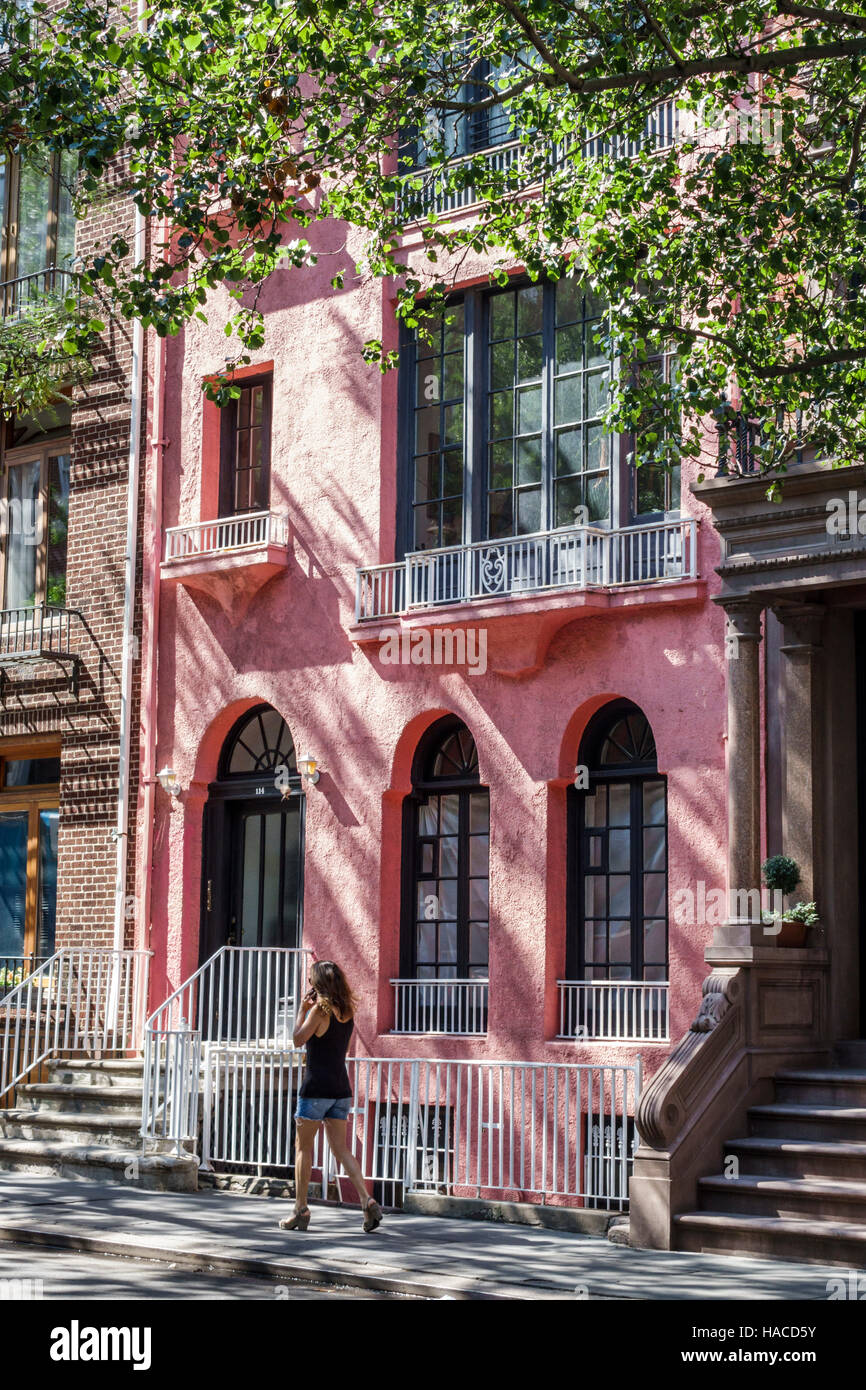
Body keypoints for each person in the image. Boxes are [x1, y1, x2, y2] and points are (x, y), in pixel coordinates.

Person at [279, 959, 383, 1234]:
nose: (310, 984)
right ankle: (366, 1199)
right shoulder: (346, 1011)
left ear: (319, 983)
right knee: (341, 1149)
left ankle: (300, 1209)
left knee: (303, 1149)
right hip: (340, 1089)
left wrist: (301, 1011)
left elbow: (298, 1039)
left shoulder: (319, 1010)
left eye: (312, 980)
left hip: (315, 1089)